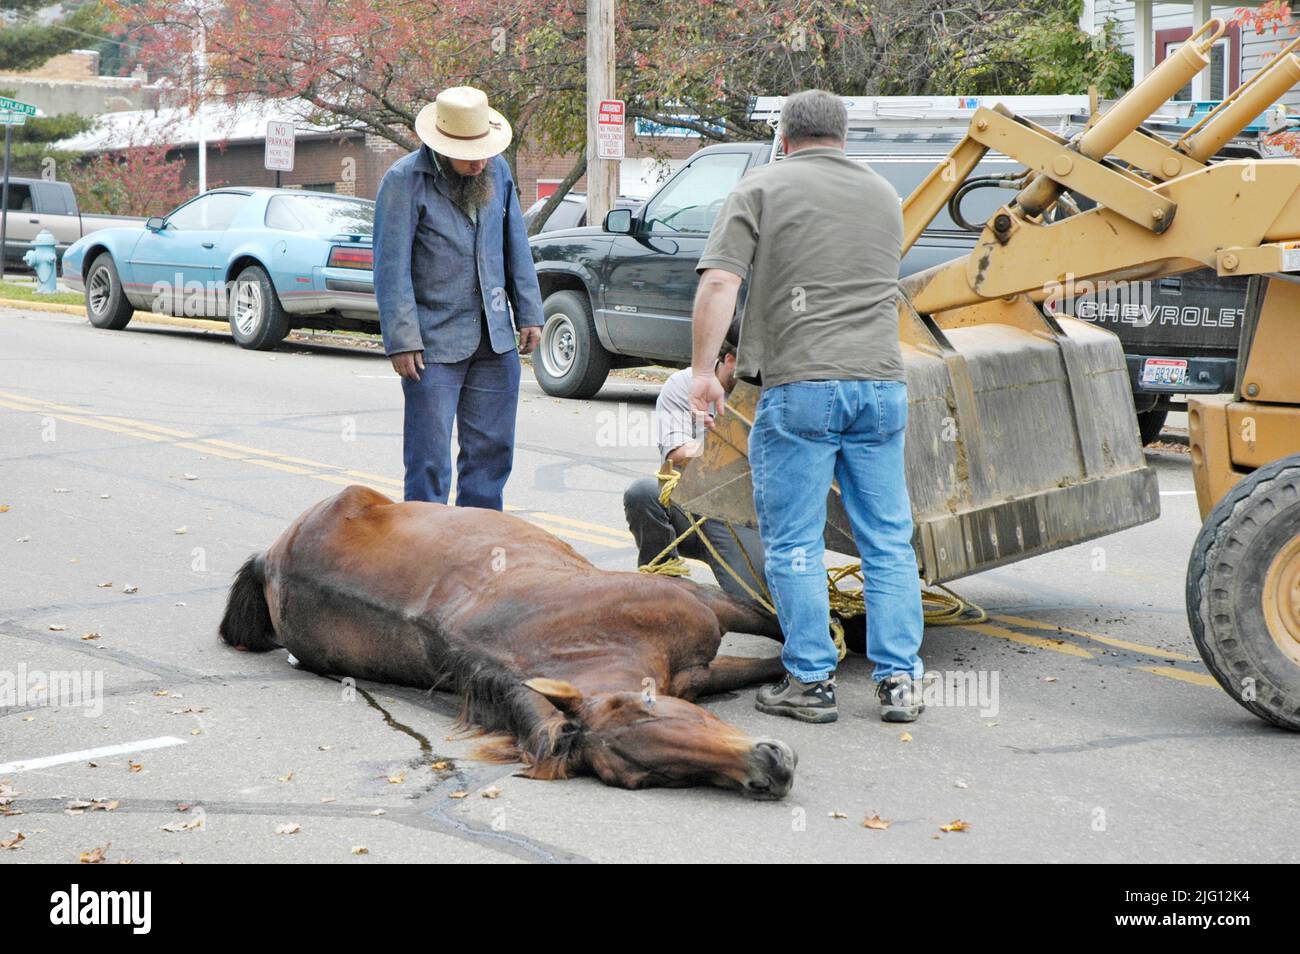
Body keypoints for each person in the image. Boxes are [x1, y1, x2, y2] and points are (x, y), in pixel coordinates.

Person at [688, 89, 925, 725]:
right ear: (844, 137)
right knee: (889, 542)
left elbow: (718, 282)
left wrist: (703, 372)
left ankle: (812, 683)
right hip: (882, 386)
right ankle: (900, 683)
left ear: (783, 138)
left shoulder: (760, 188)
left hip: (802, 388)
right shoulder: (884, 195)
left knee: (794, 540)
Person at [373, 86, 543, 509]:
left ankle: (481, 554)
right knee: (429, 462)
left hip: (495, 339)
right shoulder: (403, 182)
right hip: (431, 344)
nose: (480, 160)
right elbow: (390, 268)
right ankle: (425, 556)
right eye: (470, 153)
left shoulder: (498, 171)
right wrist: (402, 338)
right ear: (441, 146)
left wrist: (530, 312)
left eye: (485, 150)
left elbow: (515, 242)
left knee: (491, 455)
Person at [624, 317, 767, 607]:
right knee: (643, 493)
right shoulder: (684, 385)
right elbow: (676, 453)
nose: (758, 382)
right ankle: (664, 593)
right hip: (697, 507)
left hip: (747, 517)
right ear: (730, 360)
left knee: (755, 606)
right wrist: (723, 449)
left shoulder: (771, 392)